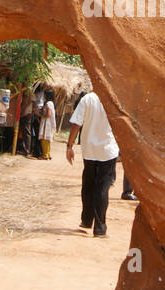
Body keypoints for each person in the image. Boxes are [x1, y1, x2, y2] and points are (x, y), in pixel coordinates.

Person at [66, 90, 120, 237]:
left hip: (89, 150)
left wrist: (69, 145)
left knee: (88, 185)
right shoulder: (115, 99)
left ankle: (86, 220)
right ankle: (100, 228)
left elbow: (76, 124)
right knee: (102, 189)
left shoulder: (87, 99)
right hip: (108, 150)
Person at [39, 89, 57, 159]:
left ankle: (45, 154)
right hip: (49, 123)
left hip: (46, 123)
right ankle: (48, 153)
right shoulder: (52, 103)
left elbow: (48, 114)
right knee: (48, 139)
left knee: (44, 139)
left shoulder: (48, 103)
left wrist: (41, 115)